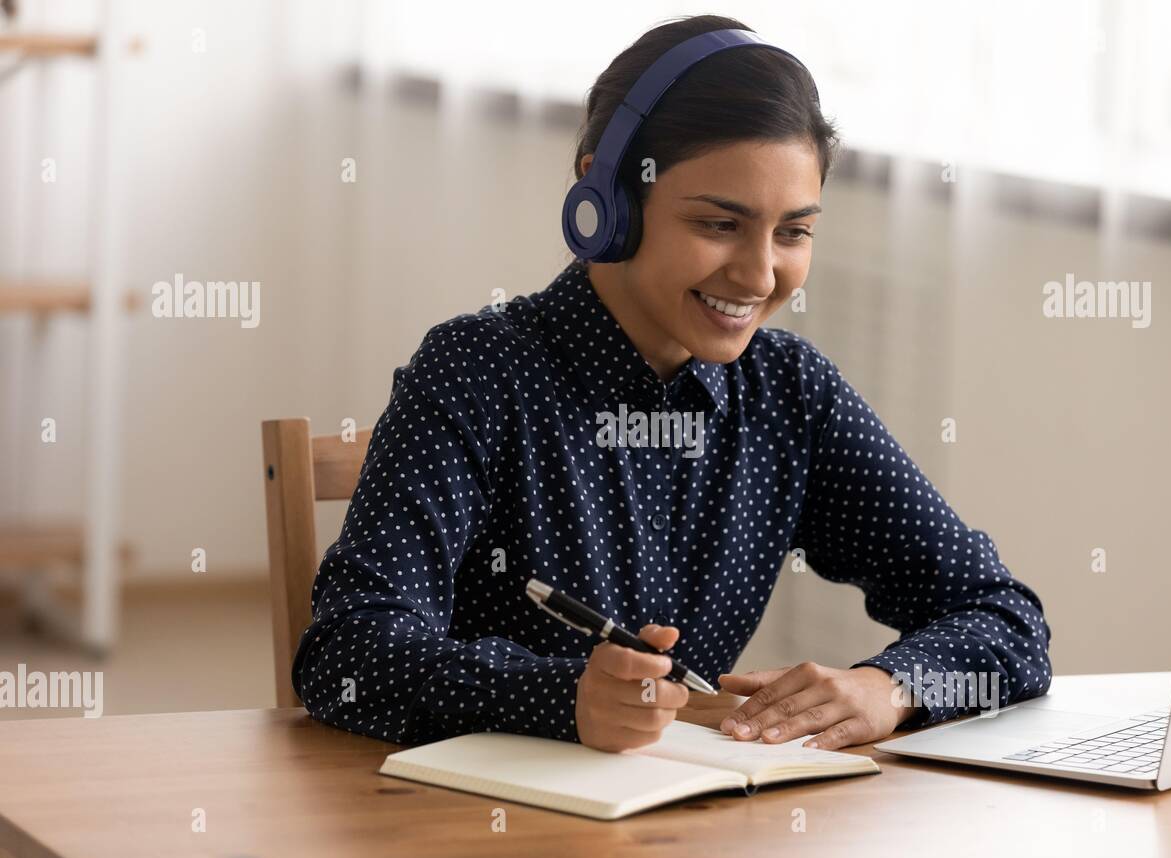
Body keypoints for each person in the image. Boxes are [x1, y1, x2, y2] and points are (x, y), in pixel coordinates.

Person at [292, 14, 1053, 754]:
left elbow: (1005, 615)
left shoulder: (790, 394)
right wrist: (562, 697)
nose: (759, 275)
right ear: (607, 201)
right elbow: (348, 653)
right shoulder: (476, 371)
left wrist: (891, 687)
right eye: (720, 224)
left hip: (690, 825)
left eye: (793, 232)